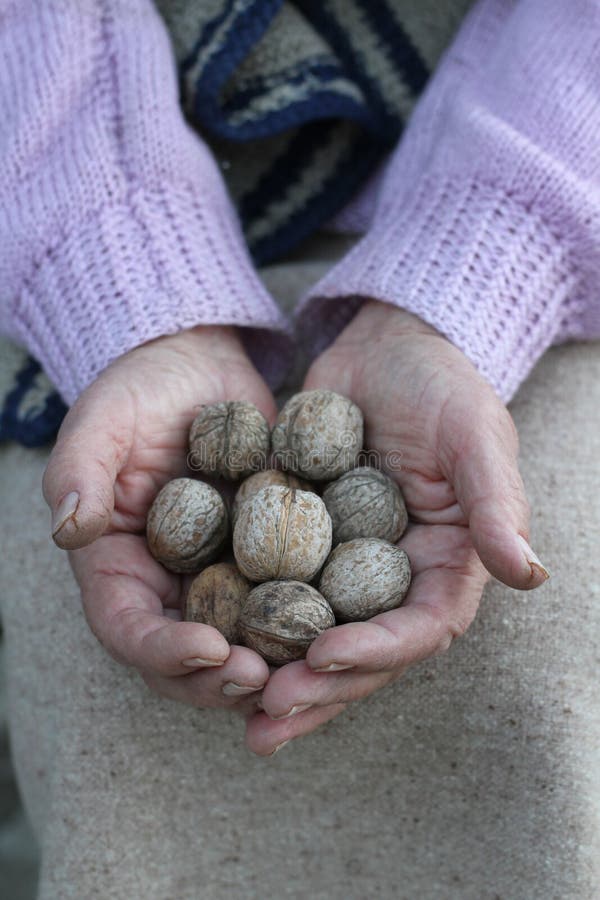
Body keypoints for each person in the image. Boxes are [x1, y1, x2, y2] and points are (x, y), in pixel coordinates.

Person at [0, 1, 599, 897]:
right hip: (91, 217)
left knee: (532, 652)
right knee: (101, 678)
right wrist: (131, 303)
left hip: (522, 204)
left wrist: (467, 275)